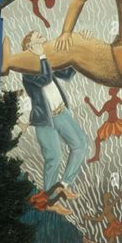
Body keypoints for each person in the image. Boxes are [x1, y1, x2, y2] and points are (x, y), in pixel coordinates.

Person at [20, 30, 88, 216]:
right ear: (29, 45)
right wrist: (43, 55)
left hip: (61, 113)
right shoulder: (27, 69)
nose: (43, 37)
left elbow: (66, 74)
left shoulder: (46, 62)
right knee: (54, 158)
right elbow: (45, 79)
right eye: (38, 36)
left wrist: (79, 49)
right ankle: (48, 201)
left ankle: (63, 185)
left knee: (81, 145)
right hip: (44, 120)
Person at [84, 88, 122, 161]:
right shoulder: (107, 103)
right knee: (97, 140)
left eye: (111, 89)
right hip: (109, 125)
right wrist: (89, 103)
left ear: (115, 92)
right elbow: (98, 114)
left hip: (117, 123)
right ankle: (96, 156)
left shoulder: (116, 99)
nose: (109, 90)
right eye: (110, 89)